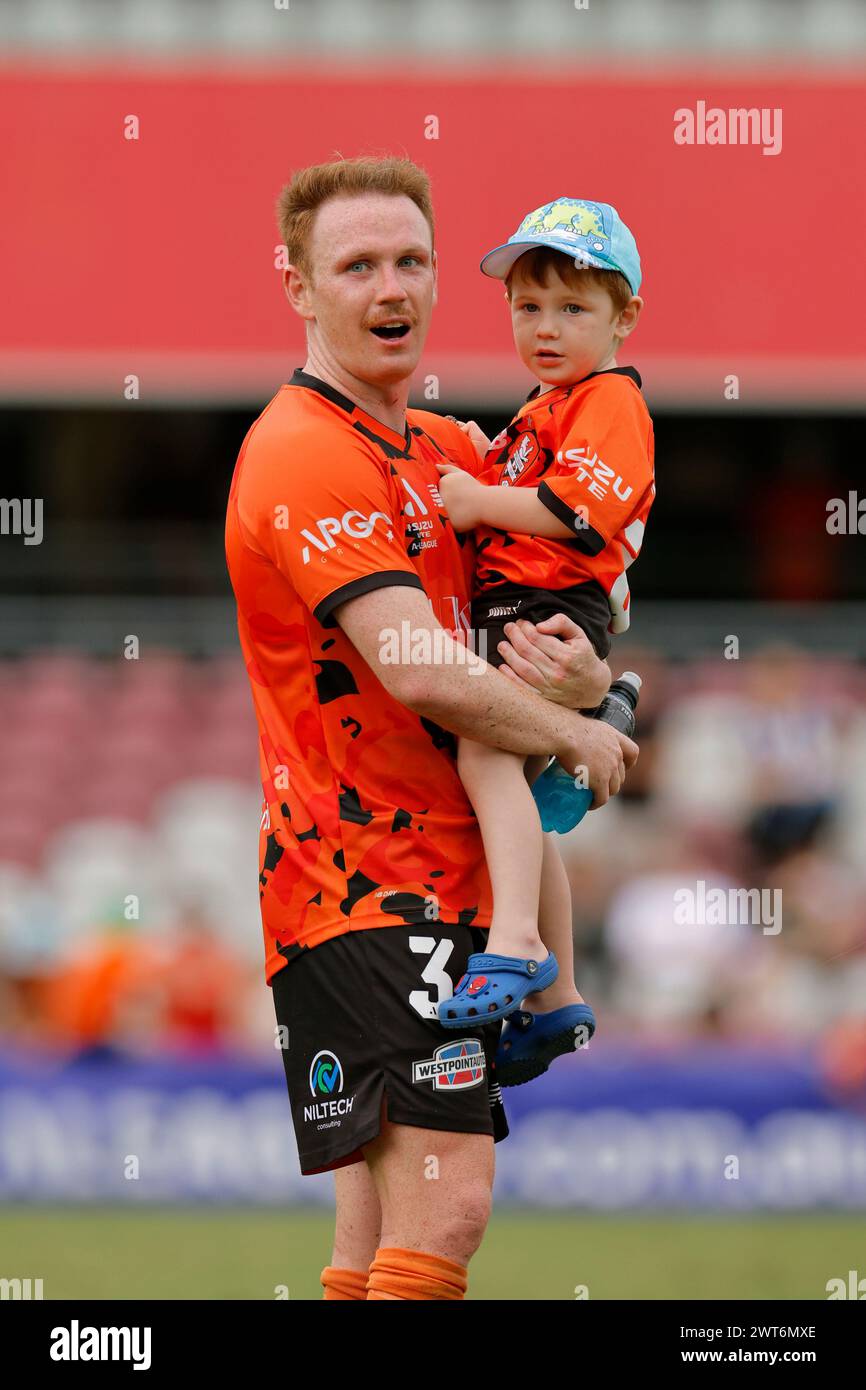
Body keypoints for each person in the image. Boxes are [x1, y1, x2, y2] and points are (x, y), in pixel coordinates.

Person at [225, 159, 637, 1301]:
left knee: (373, 1234)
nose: (390, 286)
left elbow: (575, 570)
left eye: (410, 260)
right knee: (448, 1203)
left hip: (428, 877)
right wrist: (580, 734)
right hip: (364, 876)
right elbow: (414, 664)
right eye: (356, 264)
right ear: (299, 286)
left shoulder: (451, 452)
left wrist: (589, 671)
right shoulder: (305, 448)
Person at [433, 198, 655, 1087]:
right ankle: (558, 997)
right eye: (528, 307)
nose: (546, 327)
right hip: (526, 602)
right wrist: (483, 464)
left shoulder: (610, 399)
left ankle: (517, 940)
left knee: (485, 755)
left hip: (547, 605)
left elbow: (575, 510)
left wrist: (477, 499)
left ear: (624, 316)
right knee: (516, 794)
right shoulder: (545, 408)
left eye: (573, 308)